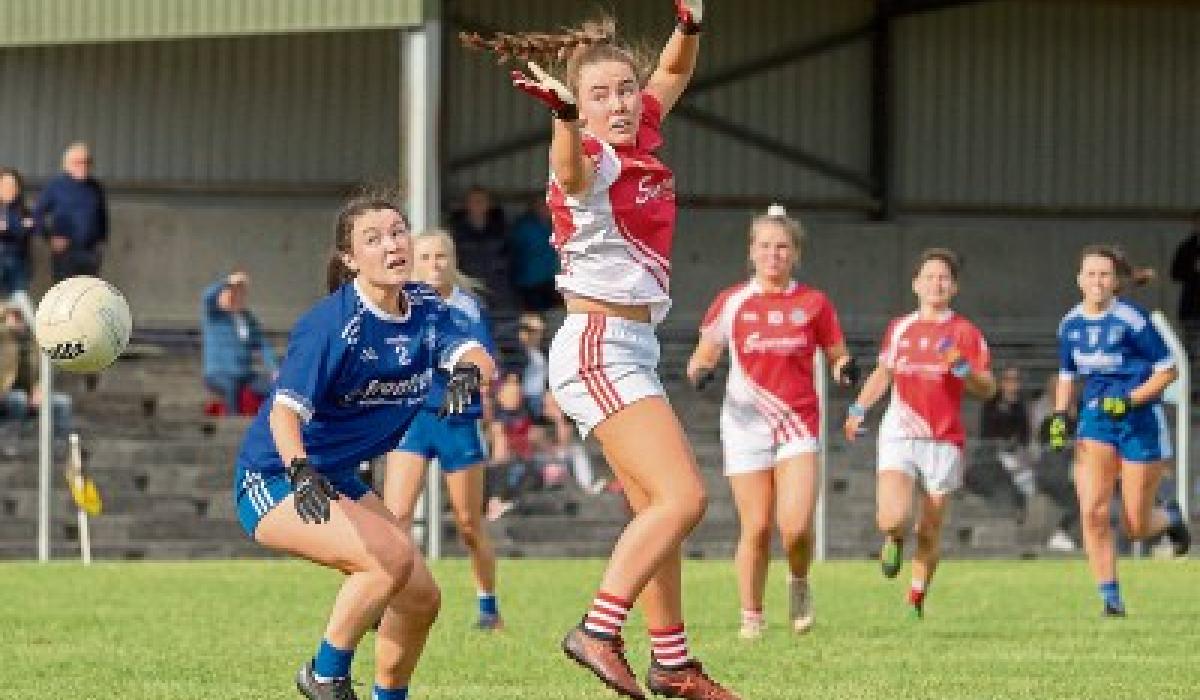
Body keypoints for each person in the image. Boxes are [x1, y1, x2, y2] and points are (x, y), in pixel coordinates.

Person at [462, 3, 740, 698]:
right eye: (599, 95)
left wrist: (689, 24)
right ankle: (598, 627)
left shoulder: (641, 127)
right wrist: (561, 120)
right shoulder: (586, 154)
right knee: (684, 497)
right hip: (597, 349)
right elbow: (571, 169)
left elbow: (673, 68)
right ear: (577, 109)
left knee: (657, 511)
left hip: (630, 348)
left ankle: (672, 662)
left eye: (625, 89)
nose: (619, 103)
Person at [231, 194, 496, 700]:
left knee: (421, 598)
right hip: (274, 477)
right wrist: (301, 471)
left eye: (398, 232)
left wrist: (466, 371)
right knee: (390, 559)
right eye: (373, 239)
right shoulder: (330, 324)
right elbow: (285, 413)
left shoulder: (424, 307)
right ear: (350, 259)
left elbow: (477, 355)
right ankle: (325, 674)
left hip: (339, 475)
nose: (392, 244)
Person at [686, 205, 858, 640]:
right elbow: (703, 354)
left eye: (782, 247)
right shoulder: (732, 301)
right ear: (751, 252)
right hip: (745, 424)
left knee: (796, 526)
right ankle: (752, 617)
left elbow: (838, 354)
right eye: (764, 246)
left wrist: (844, 369)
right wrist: (700, 372)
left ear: (795, 254)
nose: (773, 255)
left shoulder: (813, 303)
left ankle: (799, 583)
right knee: (757, 525)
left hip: (797, 421)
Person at [843, 248, 997, 619]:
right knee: (893, 516)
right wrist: (858, 408)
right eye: (929, 276)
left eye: (943, 277)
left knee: (930, 530)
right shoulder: (901, 328)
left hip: (943, 440)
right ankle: (894, 538)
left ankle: (915, 596)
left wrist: (962, 369)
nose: (936, 283)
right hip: (900, 432)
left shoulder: (965, 332)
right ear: (916, 284)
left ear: (954, 287)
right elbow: (884, 372)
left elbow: (988, 388)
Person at [1048, 244, 1190, 617]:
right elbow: (1066, 376)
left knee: (1136, 526)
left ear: (1115, 282)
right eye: (1090, 274)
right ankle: (1110, 597)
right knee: (1092, 512)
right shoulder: (1070, 324)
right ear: (1079, 280)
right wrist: (1061, 415)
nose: (1097, 281)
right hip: (1095, 422)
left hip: (1140, 423)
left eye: (1104, 275)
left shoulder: (1133, 320)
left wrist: (1131, 399)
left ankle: (1170, 519)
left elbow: (1167, 370)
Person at [384, 228, 504, 631]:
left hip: (458, 421)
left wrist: (469, 380)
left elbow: (485, 363)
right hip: (412, 419)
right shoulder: (400, 306)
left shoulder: (468, 309)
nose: (434, 265)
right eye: (426, 257)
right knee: (396, 517)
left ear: (453, 262)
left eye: (441, 257)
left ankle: (488, 607)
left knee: (469, 525)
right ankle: (388, 602)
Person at [201, 270, 278, 415]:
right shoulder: (214, 316)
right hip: (219, 373)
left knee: (275, 390)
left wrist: (273, 369)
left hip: (245, 374)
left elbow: (262, 344)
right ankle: (232, 426)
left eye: (239, 293)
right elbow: (207, 297)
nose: (234, 297)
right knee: (231, 388)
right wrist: (228, 282)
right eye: (230, 293)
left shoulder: (247, 318)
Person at [34, 142, 109, 282]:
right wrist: (49, 238)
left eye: (87, 162)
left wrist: (102, 240)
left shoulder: (95, 187)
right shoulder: (56, 186)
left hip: (90, 252)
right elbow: (37, 213)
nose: (83, 166)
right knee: (65, 295)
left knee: (88, 294)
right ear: (67, 164)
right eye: (78, 162)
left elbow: (102, 215)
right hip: (65, 253)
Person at [0, 304, 73, 436]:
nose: (18, 321)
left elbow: (46, 371)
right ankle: (9, 441)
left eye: (20, 317)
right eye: (14, 316)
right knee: (18, 399)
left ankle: (60, 446)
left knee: (62, 402)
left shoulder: (35, 343)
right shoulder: (4, 340)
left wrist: (40, 388)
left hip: (29, 394)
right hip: (6, 394)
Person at [976, 365, 1035, 518]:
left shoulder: (1021, 407)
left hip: (1015, 451)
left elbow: (1025, 435)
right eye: (1008, 380)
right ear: (1001, 382)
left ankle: (1022, 509)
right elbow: (985, 433)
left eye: (1015, 380)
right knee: (1012, 470)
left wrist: (1017, 443)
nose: (1011, 384)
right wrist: (1002, 442)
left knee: (1025, 475)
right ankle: (1016, 507)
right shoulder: (991, 404)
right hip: (994, 451)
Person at [448, 187, 514, 315]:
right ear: (466, 205)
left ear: (489, 205)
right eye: (474, 201)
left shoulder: (501, 229)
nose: (478, 205)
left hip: (497, 288)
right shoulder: (455, 230)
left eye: (482, 201)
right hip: (468, 286)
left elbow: (511, 258)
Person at [508, 200, 562, 313]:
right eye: (541, 206)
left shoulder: (554, 225)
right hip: (530, 282)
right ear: (534, 208)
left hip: (550, 279)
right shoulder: (524, 227)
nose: (545, 209)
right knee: (535, 316)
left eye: (548, 206)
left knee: (553, 314)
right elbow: (512, 250)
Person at [0, 168, 36, 321]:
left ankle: (35, 334)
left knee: (20, 298)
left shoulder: (24, 210)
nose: (9, 189)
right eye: (5, 185)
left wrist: (9, 228)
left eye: (13, 185)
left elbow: (28, 230)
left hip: (18, 262)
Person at [1169, 211, 1200, 358]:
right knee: (1192, 348)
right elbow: (1175, 273)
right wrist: (1192, 270)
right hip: (1192, 307)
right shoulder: (1187, 248)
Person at [516, 312, 549, 417]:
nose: (538, 335)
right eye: (534, 331)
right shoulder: (516, 351)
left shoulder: (542, 351)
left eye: (541, 331)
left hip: (542, 396)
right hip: (523, 398)